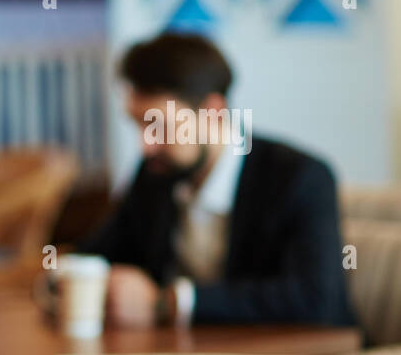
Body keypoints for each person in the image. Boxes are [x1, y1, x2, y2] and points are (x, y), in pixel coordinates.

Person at [79, 31, 354, 328]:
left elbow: (316, 300)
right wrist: (61, 278)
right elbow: (95, 255)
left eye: (157, 125)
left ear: (212, 112)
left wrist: (166, 303)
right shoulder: (156, 174)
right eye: (138, 125)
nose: (146, 145)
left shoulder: (300, 178)